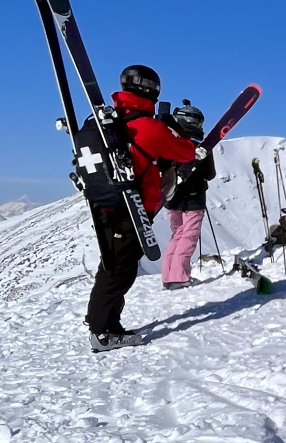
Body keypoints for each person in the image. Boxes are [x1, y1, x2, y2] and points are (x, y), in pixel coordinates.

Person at [83, 65, 200, 352]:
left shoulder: (103, 121)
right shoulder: (149, 127)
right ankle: (103, 333)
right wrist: (173, 126)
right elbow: (186, 151)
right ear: (152, 90)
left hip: (103, 204)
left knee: (112, 265)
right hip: (131, 209)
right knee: (120, 271)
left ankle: (105, 322)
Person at [159, 99, 214, 290]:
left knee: (177, 235)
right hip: (194, 197)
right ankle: (180, 277)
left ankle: (169, 275)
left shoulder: (170, 140)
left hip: (172, 196)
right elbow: (209, 174)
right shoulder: (201, 145)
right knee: (188, 236)